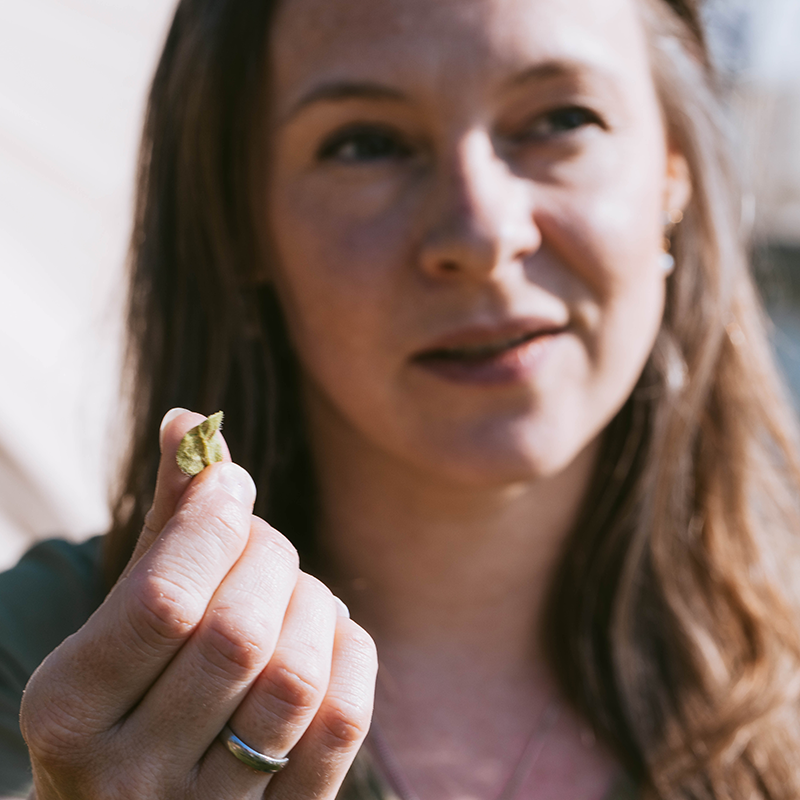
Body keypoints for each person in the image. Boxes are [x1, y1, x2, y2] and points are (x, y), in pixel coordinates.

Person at [2, 0, 800, 796]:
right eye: (367, 144)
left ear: (674, 176)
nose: (482, 236)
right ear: (241, 220)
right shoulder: (44, 662)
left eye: (559, 119)